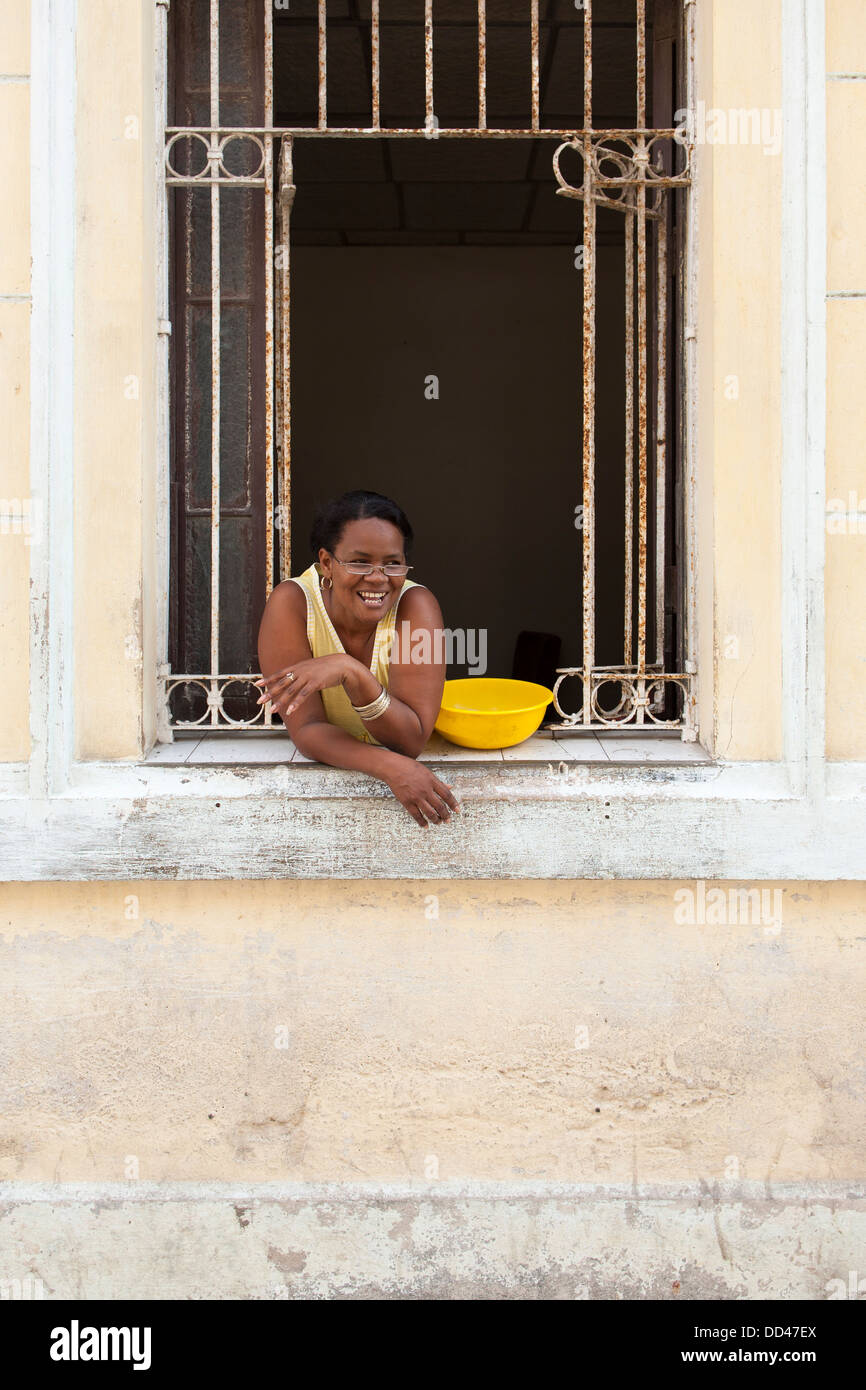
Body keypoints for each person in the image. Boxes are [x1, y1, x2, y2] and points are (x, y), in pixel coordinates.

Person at [256, 489, 459, 829]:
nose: (378, 578)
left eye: (392, 563)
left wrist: (351, 671)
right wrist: (391, 768)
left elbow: (411, 738)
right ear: (326, 563)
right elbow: (306, 729)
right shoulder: (292, 604)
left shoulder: (416, 606)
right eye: (360, 562)